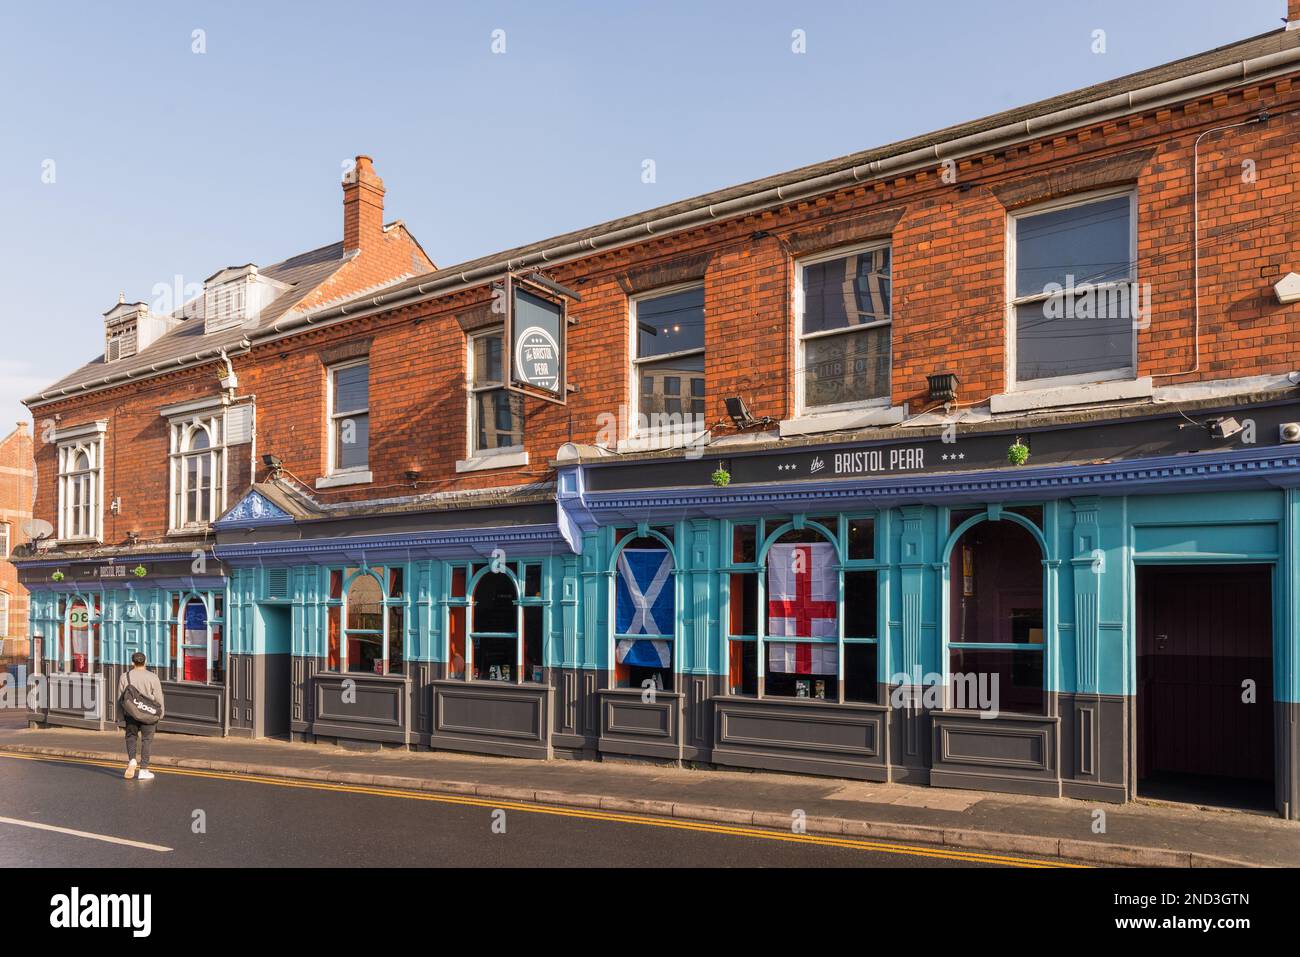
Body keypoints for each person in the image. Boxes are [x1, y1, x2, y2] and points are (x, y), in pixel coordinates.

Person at [118, 652, 164, 781]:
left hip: (131, 713)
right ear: (145, 662)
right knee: (147, 740)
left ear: (132, 663)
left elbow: (120, 698)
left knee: (131, 737)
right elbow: (159, 697)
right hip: (148, 714)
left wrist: (120, 716)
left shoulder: (124, 677)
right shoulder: (153, 677)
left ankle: (132, 760)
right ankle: (144, 769)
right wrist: (161, 713)